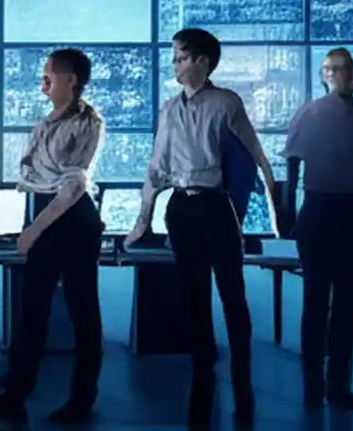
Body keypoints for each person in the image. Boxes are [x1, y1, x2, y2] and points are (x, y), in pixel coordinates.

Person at [126, 28, 278, 428]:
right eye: (174, 57)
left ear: (202, 61)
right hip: (181, 206)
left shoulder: (226, 103)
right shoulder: (168, 109)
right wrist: (143, 219)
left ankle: (241, 363)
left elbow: (253, 152)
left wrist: (274, 207)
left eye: (180, 57)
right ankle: (202, 357)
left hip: (215, 205)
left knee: (231, 288)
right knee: (193, 290)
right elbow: (156, 166)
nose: (174, 64)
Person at [0, 49, 105, 425]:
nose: (43, 81)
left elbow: (73, 187)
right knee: (31, 313)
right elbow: (35, 178)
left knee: (82, 313)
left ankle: (81, 400)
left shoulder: (88, 123)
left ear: (71, 80)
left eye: (49, 74)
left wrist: (34, 230)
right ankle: (15, 394)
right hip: (47, 214)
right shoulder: (46, 122)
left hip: (73, 221)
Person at [284, 48, 353, 409]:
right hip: (326, 209)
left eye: (352, 69)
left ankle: (336, 384)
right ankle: (317, 383)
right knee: (317, 300)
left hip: (350, 211)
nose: (349, 75)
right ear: (327, 74)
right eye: (341, 70)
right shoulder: (310, 115)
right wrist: (287, 212)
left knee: (344, 302)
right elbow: (292, 167)